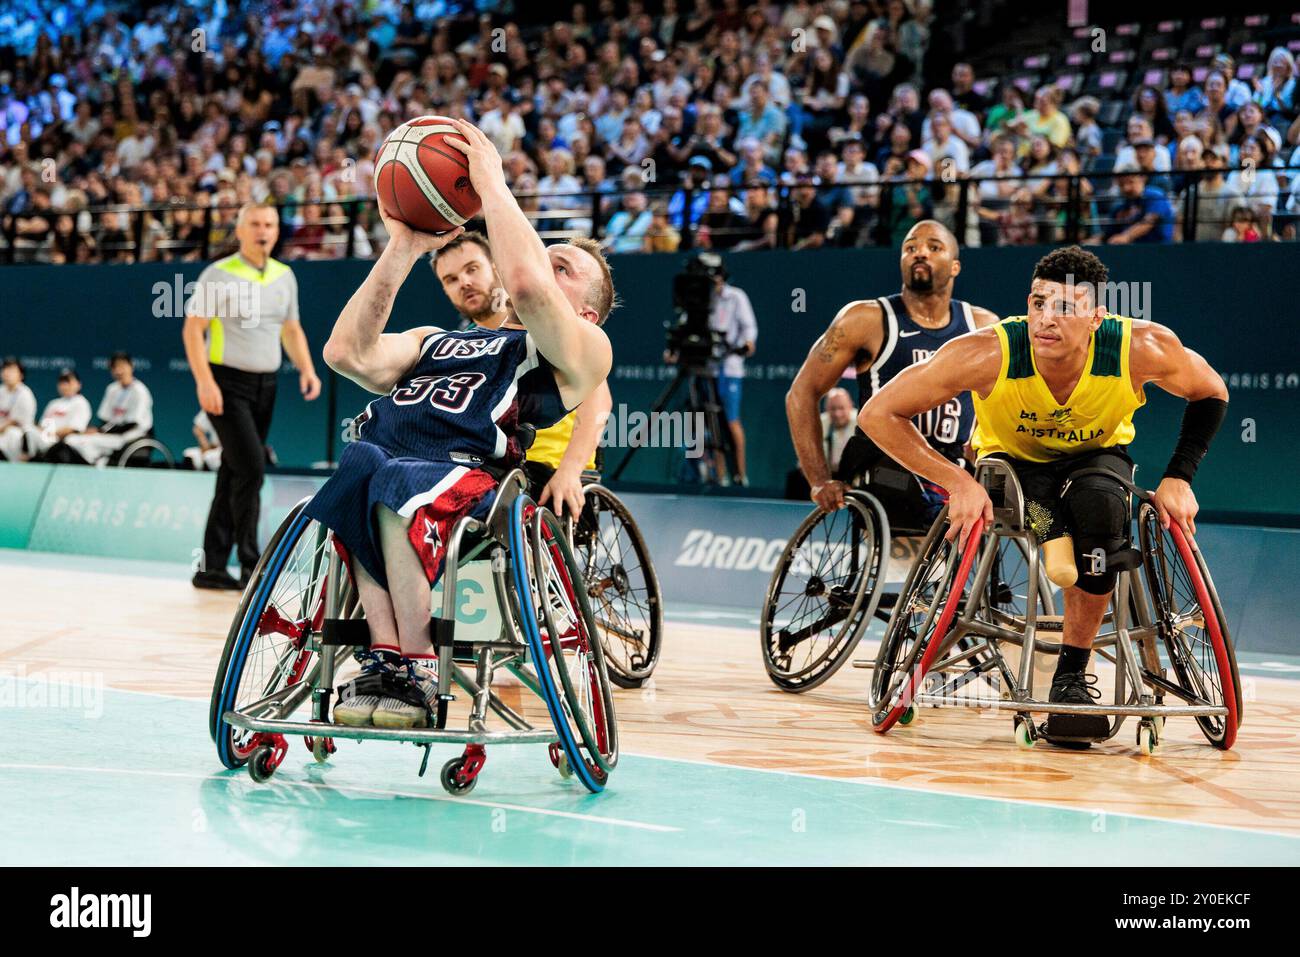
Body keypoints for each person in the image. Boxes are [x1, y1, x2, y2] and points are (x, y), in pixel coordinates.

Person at [309, 118, 613, 731]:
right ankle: (385, 654)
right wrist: (403, 247)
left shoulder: (584, 349)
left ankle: (419, 665)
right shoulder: (436, 337)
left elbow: (527, 286)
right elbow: (345, 354)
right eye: (547, 257)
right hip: (390, 454)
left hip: (470, 474)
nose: (545, 265)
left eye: (564, 267)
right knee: (362, 465)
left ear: (586, 311)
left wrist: (491, 182)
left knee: (396, 482)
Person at [860, 245, 1228, 744]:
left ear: (1097, 317)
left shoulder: (1141, 347)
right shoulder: (988, 353)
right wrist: (956, 481)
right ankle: (1051, 532)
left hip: (1095, 460)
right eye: (1037, 303)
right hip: (1011, 466)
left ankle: (1071, 676)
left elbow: (1211, 391)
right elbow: (878, 414)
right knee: (1040, 512)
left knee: (1100, 511)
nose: (1045, 319)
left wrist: (1180, 476)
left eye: (1065, 307)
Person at [785, 220, 998, 524]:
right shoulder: (864, 319)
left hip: (950, 463)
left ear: (955, 267)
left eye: (934, 247)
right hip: (883, 461)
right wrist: (818, 479)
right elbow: (801, 393)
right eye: (910, 248)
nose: (920, 253)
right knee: (914, 494)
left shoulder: (983, 325)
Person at [183, 202, 321, 590]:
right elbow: (193, 330)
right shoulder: (218, 274)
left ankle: (210, 567)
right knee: (252, 468)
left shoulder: (284, 276)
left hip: (266, 385)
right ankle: (251, 565)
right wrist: (204, 382)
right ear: (240, 230)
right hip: (226, 384)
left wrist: (307, 369)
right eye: (256, 224)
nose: (263, 231)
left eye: (270, 225)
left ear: (277, 231)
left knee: (233, 471)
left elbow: (291, 329)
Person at [431, 229, 613, 521]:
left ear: (498, 268)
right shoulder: (464, 343)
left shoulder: (550, 331)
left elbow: (599, 402)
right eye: (450, 279)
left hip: (544, 468)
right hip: (486, 464)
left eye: (472, 269)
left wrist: (569, 471)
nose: (464, 282)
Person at [45, 353, 154, 465]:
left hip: (131, 435)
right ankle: (98, 461)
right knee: (73, 440)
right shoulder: (112, 389)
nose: (119, 371)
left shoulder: (140, 391)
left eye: (122, 366)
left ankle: (101, 462)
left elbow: (131, 424)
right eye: (115, 367)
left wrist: (101, 432)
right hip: (113, 434)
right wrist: (98, 430)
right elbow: (106, 419)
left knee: (84, 442)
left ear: (131, 366)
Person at [1, 368, 92, 462]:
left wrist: (52, 433)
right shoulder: (53, 403)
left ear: (78, 384)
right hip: (46, 439)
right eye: (62, 383)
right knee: (24, 431)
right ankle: (22, 461)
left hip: (63, 443)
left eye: (68, 382)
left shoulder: (80, 402)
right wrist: (43, 432)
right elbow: (42, 425)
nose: (65, 386)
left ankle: (27, 460)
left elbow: (74, 429)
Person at [0, 357, 37, 460]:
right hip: (2, 433)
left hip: (19, 435)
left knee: (13, 434)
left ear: (21, 375)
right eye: (5, 369)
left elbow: (17, 422)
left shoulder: (25, 393)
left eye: (11, 370)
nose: (7, 373)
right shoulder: (1, 390)